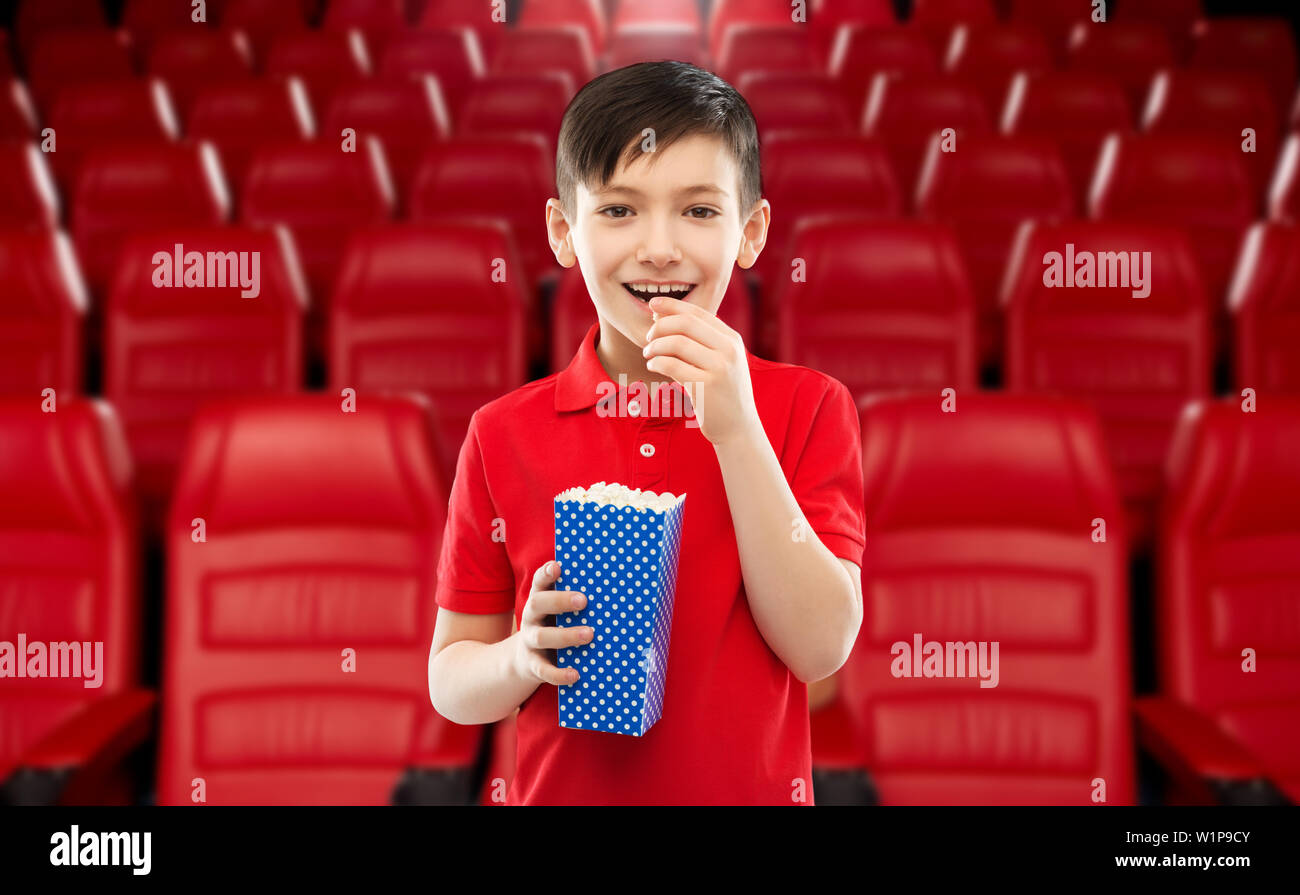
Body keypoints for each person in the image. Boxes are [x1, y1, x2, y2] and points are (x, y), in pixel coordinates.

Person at [427, 61, 866, 805]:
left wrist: (737, 431)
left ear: (751, 231)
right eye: (619, 210)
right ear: (564, 232)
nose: (658, 248)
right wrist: (522, 659)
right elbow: (450, 679)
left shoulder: (809, 407)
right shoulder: (500, 434)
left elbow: (820, 644)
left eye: (698, 211)